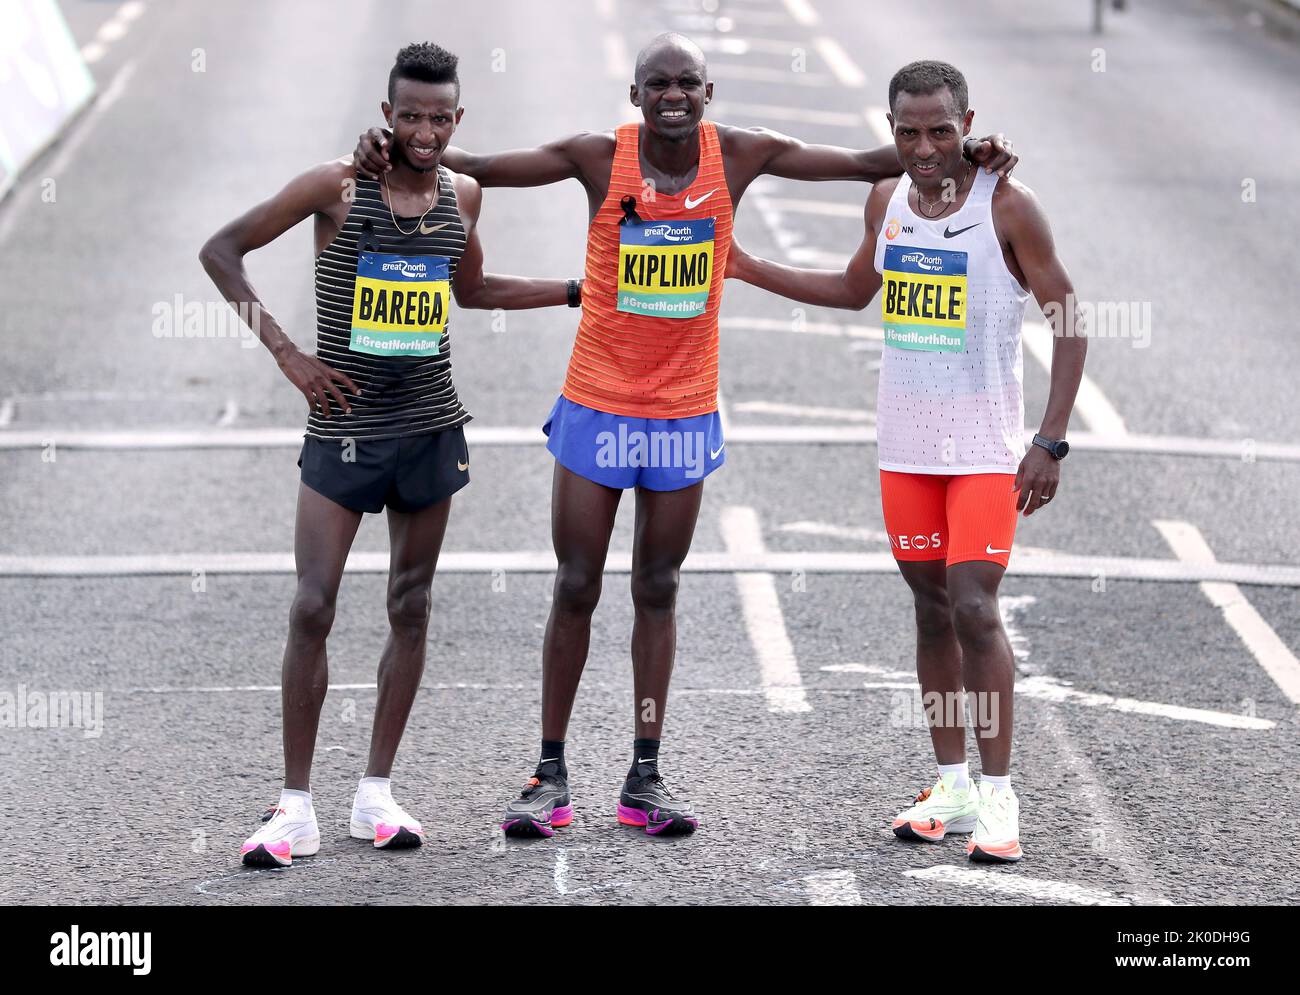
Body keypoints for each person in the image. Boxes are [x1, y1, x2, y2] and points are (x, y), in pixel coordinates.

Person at [353, 34, 1017, 839]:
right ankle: (548, 772)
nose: (674, 96)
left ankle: (645, 774)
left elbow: (864, 160)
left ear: (709, 93)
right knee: (575, 584)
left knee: (658, 587)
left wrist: (972, 155)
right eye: (658, 84)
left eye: (688, 84)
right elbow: (482, 166)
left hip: (682, 411)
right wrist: (397, 147)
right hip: (598, 402)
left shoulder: (738, 154)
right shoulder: (599, 157)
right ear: (635, 96)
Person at [200, 42, 580, 867]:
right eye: (409, 116)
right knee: (313, 605)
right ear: (387, 114)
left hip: (429, 425)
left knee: (411, 603)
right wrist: (289, 356)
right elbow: (221, 251)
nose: (425, 132)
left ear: (458, 118)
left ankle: (376, 789)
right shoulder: (335, 186)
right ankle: (295, 805)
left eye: (440, 118)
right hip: (344, 425)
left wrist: (575, 291)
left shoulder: (464, 194)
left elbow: (472, 291)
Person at [726, 60, 1086, 862]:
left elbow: (1069, 320)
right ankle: (951, 783)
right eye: (908, 132)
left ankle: (999, 796)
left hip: (986, 449)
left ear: (968, 125)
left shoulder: (1008, 206)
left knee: (974, 606)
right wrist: (747, 267)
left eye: (941, 131)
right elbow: (853, 288)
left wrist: (1050, 440)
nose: (925, 148)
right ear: (890, 130)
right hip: (907, 448)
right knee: (931, 610)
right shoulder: (886, 199)